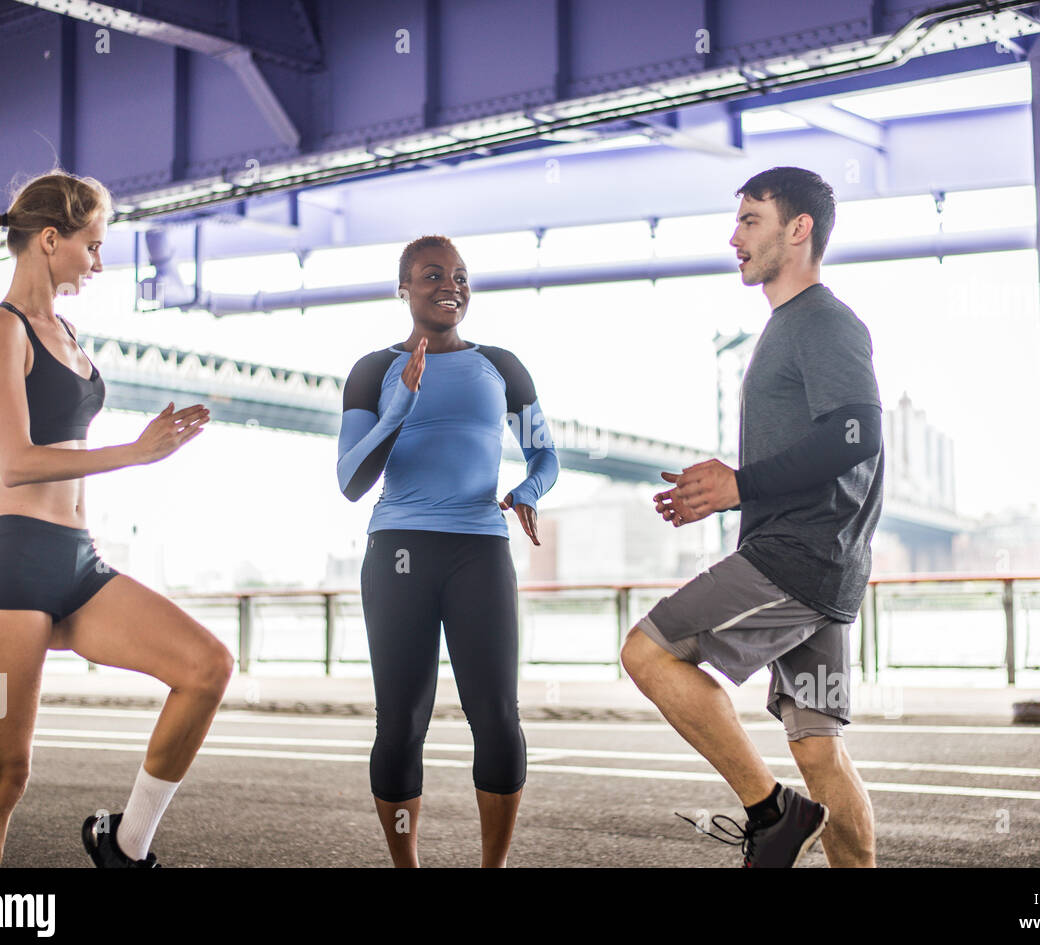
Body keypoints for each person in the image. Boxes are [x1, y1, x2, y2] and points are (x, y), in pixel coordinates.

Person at [0, 170, 233, 867]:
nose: (100, 262)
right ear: (50, 240)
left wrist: (146, 448)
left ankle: (125, 844)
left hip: (78, 565)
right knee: (2, 777)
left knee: (207, 666)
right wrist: (136, 452)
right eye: (93, 245)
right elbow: (17, 460)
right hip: (9, 570)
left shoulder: (70, 331)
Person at [620, 167, 881, 868]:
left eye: (750, 220)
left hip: (795, 559)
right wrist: (729, 487)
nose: (733, 237)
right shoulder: (787, 329)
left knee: (646, 652)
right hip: (822, 572)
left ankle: (772, 811)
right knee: (818, 747)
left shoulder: (822, 321)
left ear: (798, 230)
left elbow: (858, 434)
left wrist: (740, 484)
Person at [337, 235, 558, 867]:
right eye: (432, 275)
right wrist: (399, 407)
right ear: (403, 289)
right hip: (400, 551)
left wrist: (526, 491)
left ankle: (494, 866)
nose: (450, 286)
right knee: (402, 723)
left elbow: (545, 455)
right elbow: (351, 481)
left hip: (479, 550)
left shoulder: (502, 366)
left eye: (460, 275)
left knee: (496, 717)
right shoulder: (373, 370)